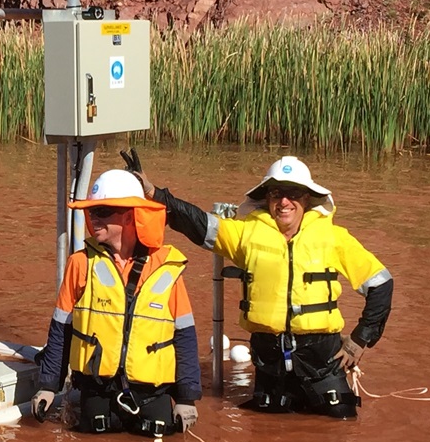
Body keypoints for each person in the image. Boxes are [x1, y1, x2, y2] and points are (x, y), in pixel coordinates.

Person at [128, 153, 393, 419]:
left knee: (340, 427)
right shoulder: (245, 235)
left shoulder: (335, 238)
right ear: (266, 198)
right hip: (270, 364)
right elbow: (197, 223)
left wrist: (359, 340)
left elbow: (381, 284)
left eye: (294, 193)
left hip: (322, 362)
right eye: (277, 193)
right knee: (264, 432)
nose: (284, 202)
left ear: (307, 198)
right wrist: (154, 194)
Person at [32, 169, 201, 436]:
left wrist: (186, 398)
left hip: (152, 396)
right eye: (92, 211)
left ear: (129, 215)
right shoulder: (80, 263)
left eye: (103, 211)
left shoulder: (166, 268)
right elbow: (60, 330)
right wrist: (48, 385)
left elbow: (185, 336)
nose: (94, 218)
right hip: (97, 391)